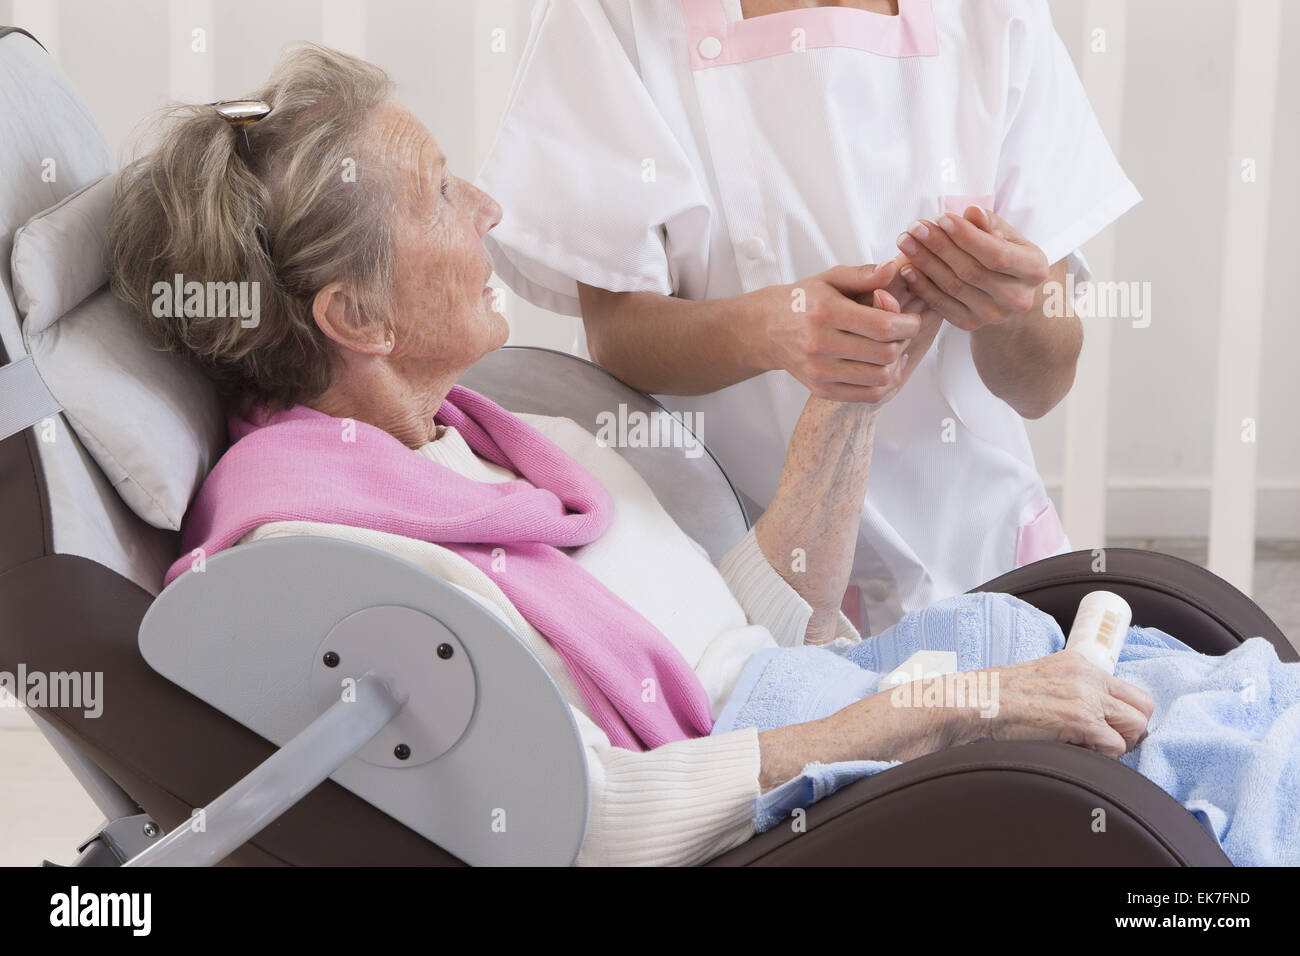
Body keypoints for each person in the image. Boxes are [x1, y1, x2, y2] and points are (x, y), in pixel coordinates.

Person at [108, 44, 1151, 866]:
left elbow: (738, 639)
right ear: (357, 314)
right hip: (831, 797)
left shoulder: (492, 444)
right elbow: (594, 817)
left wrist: (850, 390)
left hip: (850, 704)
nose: (490, 208)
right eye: (438, 195)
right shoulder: (335, 558)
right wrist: (952, 709)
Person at [476, 0, 1142, 634]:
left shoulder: (994, 17)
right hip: (720, 566)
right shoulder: (613, 15)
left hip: (975, 562)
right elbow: (619, 335)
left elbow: (1042, 385)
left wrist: (1006, 310)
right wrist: (776, 329)